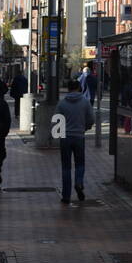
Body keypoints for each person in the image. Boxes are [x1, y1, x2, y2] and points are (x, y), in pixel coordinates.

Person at [53, 76, 96, 204]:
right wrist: (85, 127)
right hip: (79, 137)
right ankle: (78, 182)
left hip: (65, 138)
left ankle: (66, 196)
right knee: (80, 163)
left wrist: (58, 133)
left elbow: (56, 121)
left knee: (66, 166)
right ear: (79, 88)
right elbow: (91, 119)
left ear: (68, 89)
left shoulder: (62, 103)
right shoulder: (85, 102)